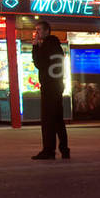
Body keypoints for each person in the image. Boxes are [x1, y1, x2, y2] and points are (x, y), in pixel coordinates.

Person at [30, 20, 69, 160]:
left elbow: (39, 64)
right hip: (57, 86)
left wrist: (35, 47)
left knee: (47, 120)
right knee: (58, 120)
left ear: (47, 31)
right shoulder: (56, 45)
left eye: (39, 30)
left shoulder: (46, 45)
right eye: (36, 30)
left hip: (49, 87)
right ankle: (64, 149)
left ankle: (48, 150)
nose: (37, 33)